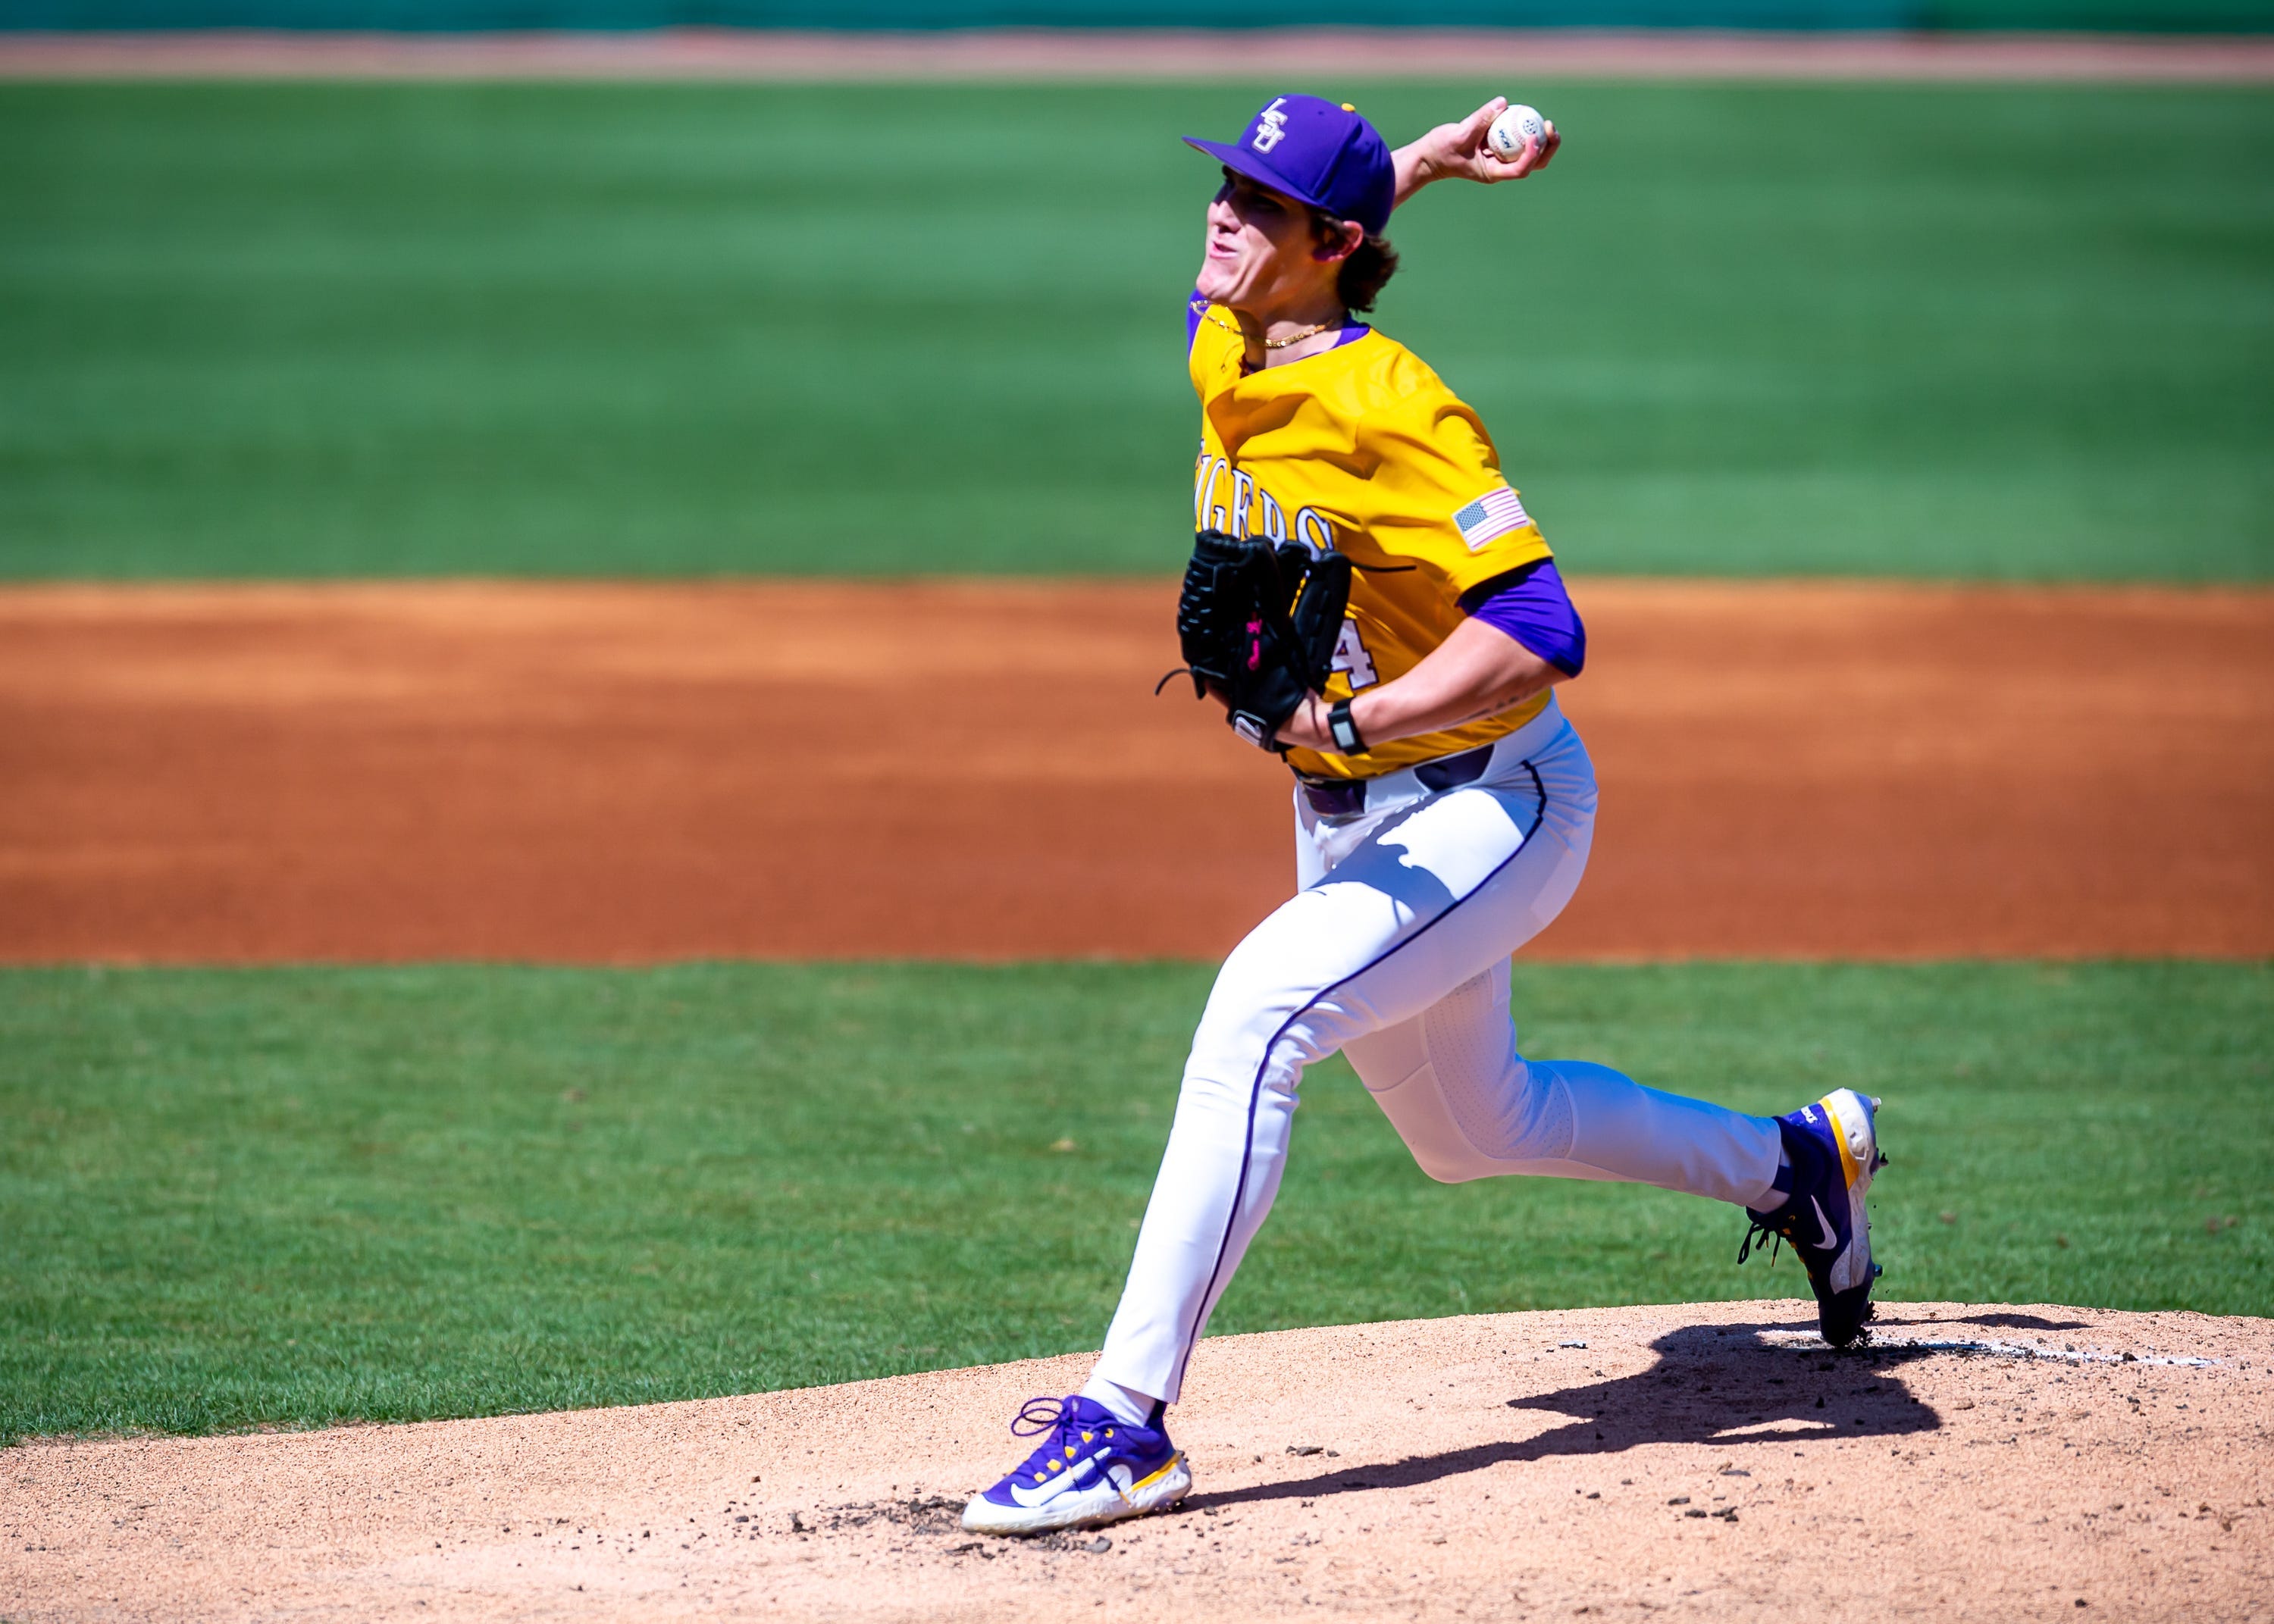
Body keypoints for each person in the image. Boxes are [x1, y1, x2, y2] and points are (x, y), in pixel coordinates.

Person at [961, 94, 1884, 1538]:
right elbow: (1328, 225)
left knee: (1256, 1012)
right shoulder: (1233, 338)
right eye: (1225, 189)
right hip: (1350, 821)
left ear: (1324, 245)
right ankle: (1797, 1165)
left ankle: (1123, 1423)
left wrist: (1355, 718)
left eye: (1257, 206)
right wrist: (1429, 163)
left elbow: (1540, 625)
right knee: (1473, 1125)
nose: (1220, 216)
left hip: (1494, 801)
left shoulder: (1397, 405)